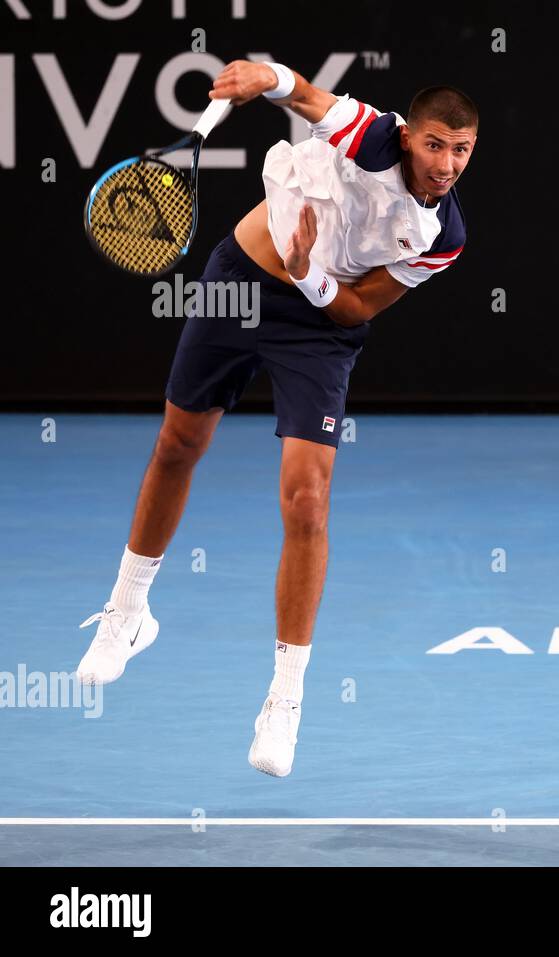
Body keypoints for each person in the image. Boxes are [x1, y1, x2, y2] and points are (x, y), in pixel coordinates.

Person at [74, 60, 477, 777]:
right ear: (410, 137)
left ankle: (283, 698)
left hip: (319, 326)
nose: (447, 164)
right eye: (437, 145)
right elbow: (307, 97)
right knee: (178, 443)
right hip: (239, 283)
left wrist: (309, 272)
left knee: (307, 500)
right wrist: (266, 76)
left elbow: (356, 308)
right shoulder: (370, 137)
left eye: (463, 149)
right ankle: (127, 611)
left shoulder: (442, 235)